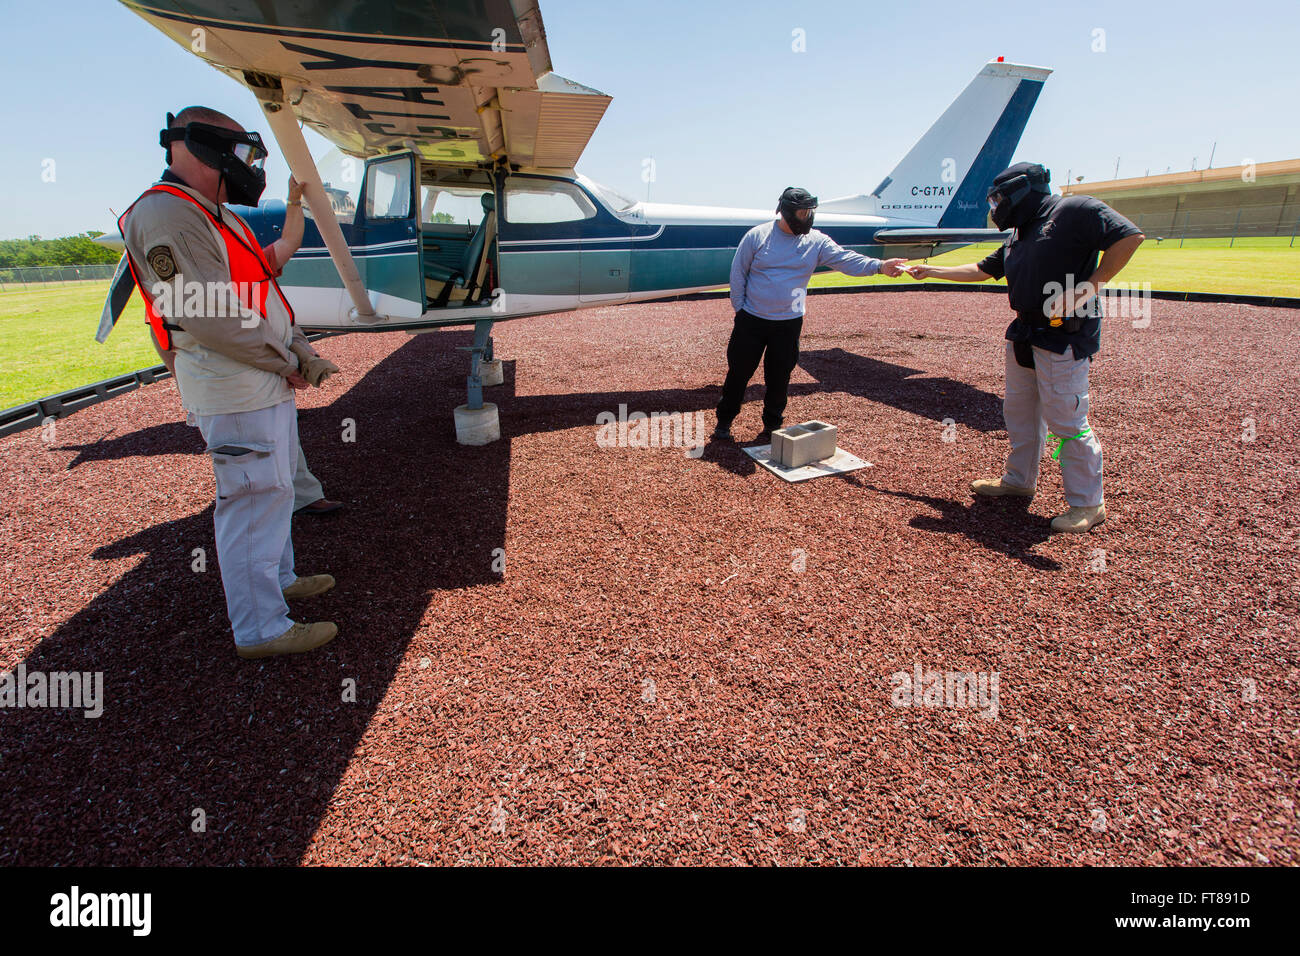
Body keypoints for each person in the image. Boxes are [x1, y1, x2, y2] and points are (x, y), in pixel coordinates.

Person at [119, 105, 342, 657]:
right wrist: (285, 358)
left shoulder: (209, 212)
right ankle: (261, 629)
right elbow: (206, 313)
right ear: (201, 148)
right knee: (251, 499)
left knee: (276, 489)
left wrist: (291, 350)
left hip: (256, 378)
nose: (248, 167)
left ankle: (281, 580)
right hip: (236, 382)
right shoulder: (168, 216)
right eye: (241, 154)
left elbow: (257, 282)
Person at [906, 162, 1144, 533]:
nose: (995, 205)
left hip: (1064, 331)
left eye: (998, 198)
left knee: (1066, 418)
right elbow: (983, 269)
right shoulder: (1020, 232)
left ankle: (1088, 503)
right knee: (1019, 411)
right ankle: (1019, 480)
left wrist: (1089, 287)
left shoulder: (1074, 210)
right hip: (1024, 330)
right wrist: (931, 271)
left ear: (1020, 190)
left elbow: (1129, 237)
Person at [715, 187, 906, 442]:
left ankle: (772, 426)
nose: (806, 217)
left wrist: (880, 266)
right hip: (752, 321)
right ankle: (724, 423)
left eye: (809, 212)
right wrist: (740, 308)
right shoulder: (758, 236)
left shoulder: (816, 241)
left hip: (788, 324)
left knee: (779, 377)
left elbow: (845, 259)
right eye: (802, 212)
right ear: (786, 211)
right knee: (739, 374)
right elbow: (738, 272)